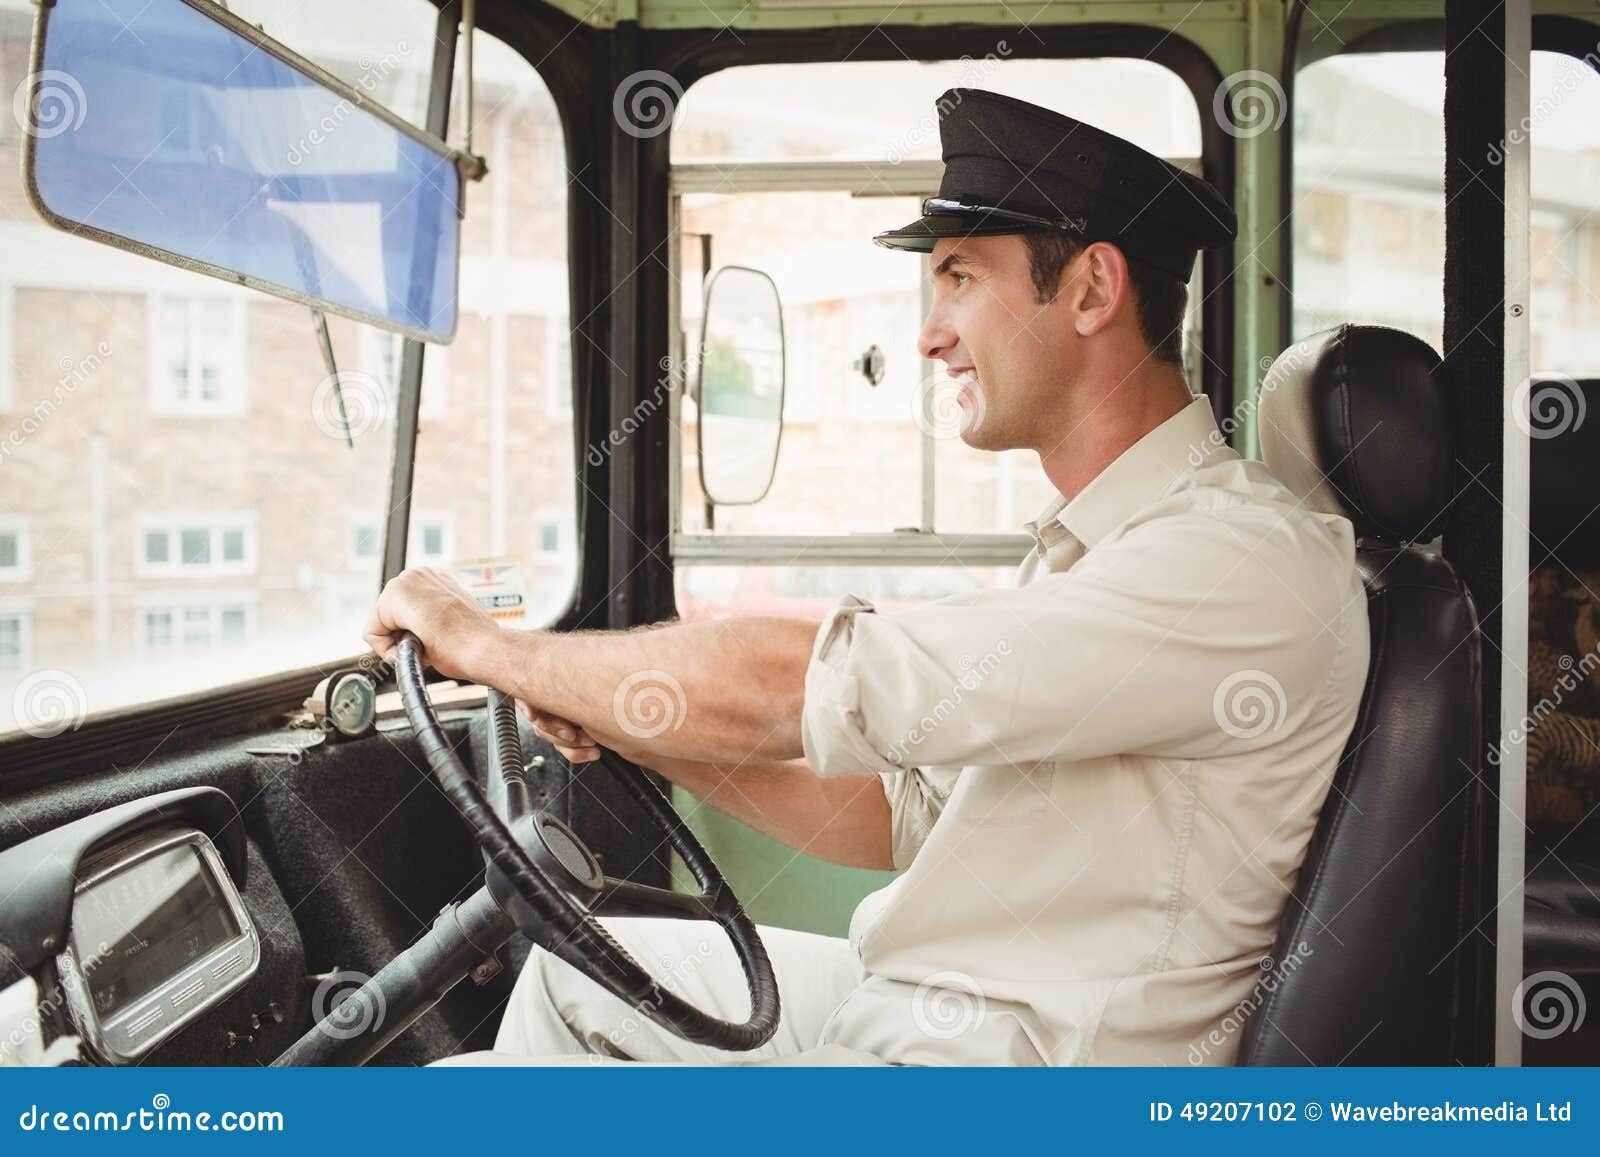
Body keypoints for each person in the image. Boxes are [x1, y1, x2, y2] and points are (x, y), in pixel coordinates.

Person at [367, 88, 1369, 1067]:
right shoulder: (1101, 543)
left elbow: (818, 680)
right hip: (937, 1001)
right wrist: (638, 716)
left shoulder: (1226, 561)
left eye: (961, 278)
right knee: (572, 969)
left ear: (1092, 290)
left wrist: (493, 646)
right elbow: (905, 812)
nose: (931, 332)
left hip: (1015, 1065)